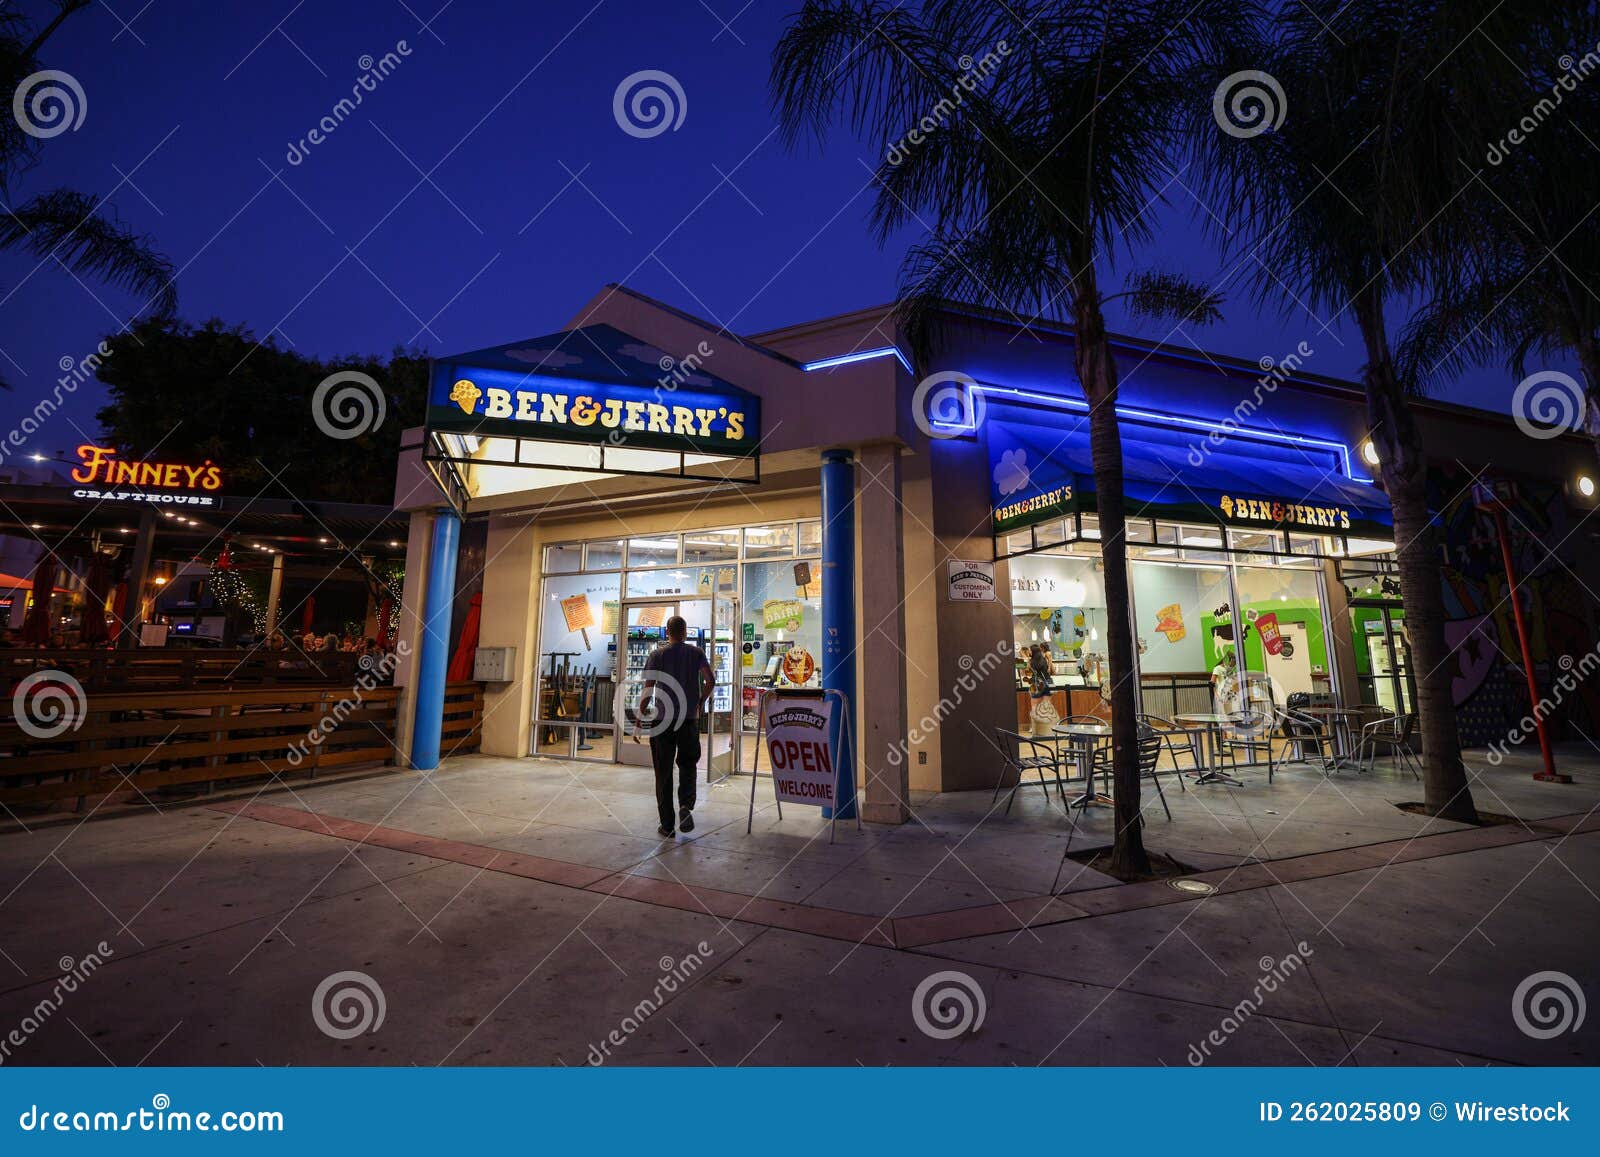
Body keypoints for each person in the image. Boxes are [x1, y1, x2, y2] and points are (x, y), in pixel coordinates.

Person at [640, 615, 713, 838]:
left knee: (663, 771)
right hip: (689, 720)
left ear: (667, 632)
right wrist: (701, 701)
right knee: (688, 764)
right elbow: (710, 680)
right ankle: (685, 805)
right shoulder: (696, 653)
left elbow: (649, 688)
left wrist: (641, 712)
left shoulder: (657, 655)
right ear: (685, 632)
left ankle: (667, 825)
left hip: (663, 720)